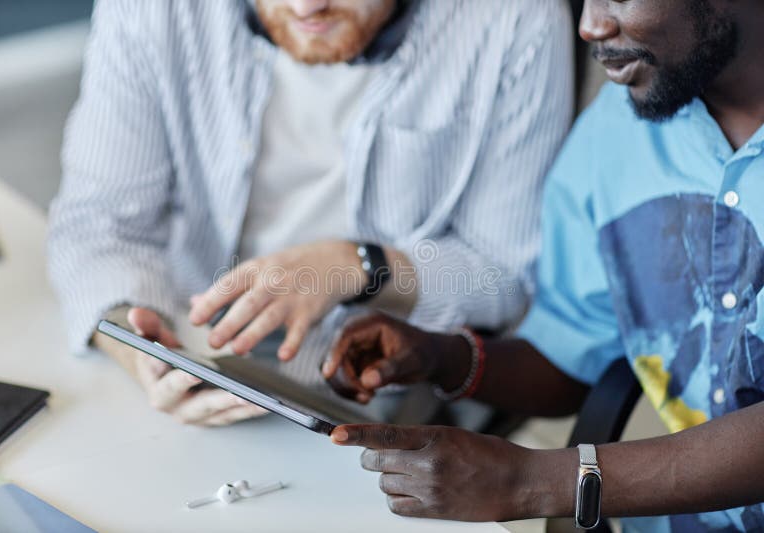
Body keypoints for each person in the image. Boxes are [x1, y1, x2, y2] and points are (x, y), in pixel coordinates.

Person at [323, 0, 764, 530]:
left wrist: (537, 481)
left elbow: (539, 479)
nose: (589, 25)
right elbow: (572, 354)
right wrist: (439, 355)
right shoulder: (615, 134)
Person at [47, 0, 573, 426]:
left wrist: (359, 266)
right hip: (185, 351)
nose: (306, 7)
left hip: (372, 404)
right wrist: (138, 350)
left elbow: (503, 275)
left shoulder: (516, 20)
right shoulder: (152, 10)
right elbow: (97, 224)